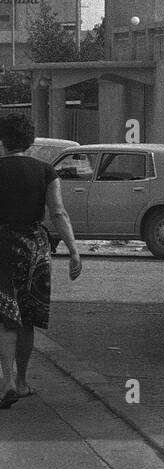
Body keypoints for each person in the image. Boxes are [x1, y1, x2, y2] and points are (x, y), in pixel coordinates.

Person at [0, 113, 82, 408]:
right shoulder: (46, 171)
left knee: (5, 315)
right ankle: (21, 383)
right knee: (27, 318)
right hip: (35, 247)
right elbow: (59, 212)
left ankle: (5, 380)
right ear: (31, 141)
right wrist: (73, 250)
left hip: (2, 246)